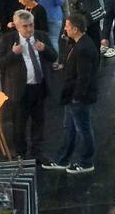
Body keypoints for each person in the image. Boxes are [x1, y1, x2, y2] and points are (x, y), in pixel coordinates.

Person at [0, 9, 56, 163]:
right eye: (25, 26)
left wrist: (45, 49)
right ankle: (20, 153)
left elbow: (54, 56)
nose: (29, 29)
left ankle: (37, 152)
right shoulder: (7, 40)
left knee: (39, 122)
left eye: (31, 25)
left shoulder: (41, 36)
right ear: (16, 26)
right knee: (19, 124)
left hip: (39, 87)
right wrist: (13, 53)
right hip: (19, 90)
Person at [42, 14, 99, 174]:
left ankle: (86, 162)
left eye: (67, 26)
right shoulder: (79, 44)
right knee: (70, 128)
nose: (65, 28)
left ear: (75, 29)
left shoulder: (83, 48)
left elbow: (84, 77)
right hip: (72, 96)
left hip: (78, 97)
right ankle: (63, 160)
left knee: (83, 129)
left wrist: (77, 97)